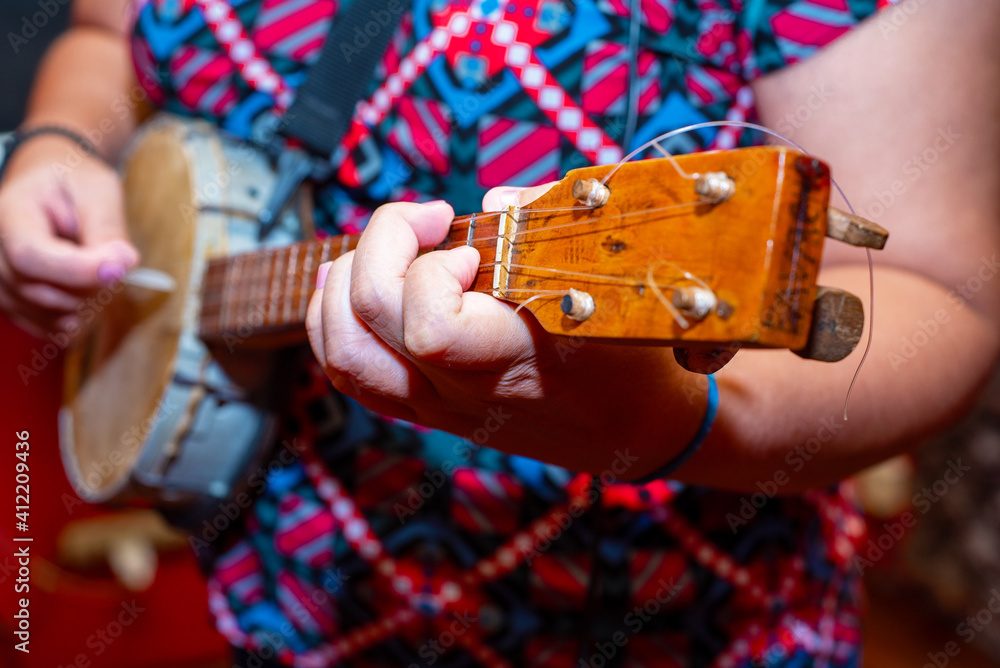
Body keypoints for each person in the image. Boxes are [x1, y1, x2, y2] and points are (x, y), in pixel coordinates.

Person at [2, 0, 998, 665]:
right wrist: (59, 139)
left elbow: (938, 298)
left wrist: (668, 423)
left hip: (652, 618)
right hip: (283, 586)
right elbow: (103, 31)